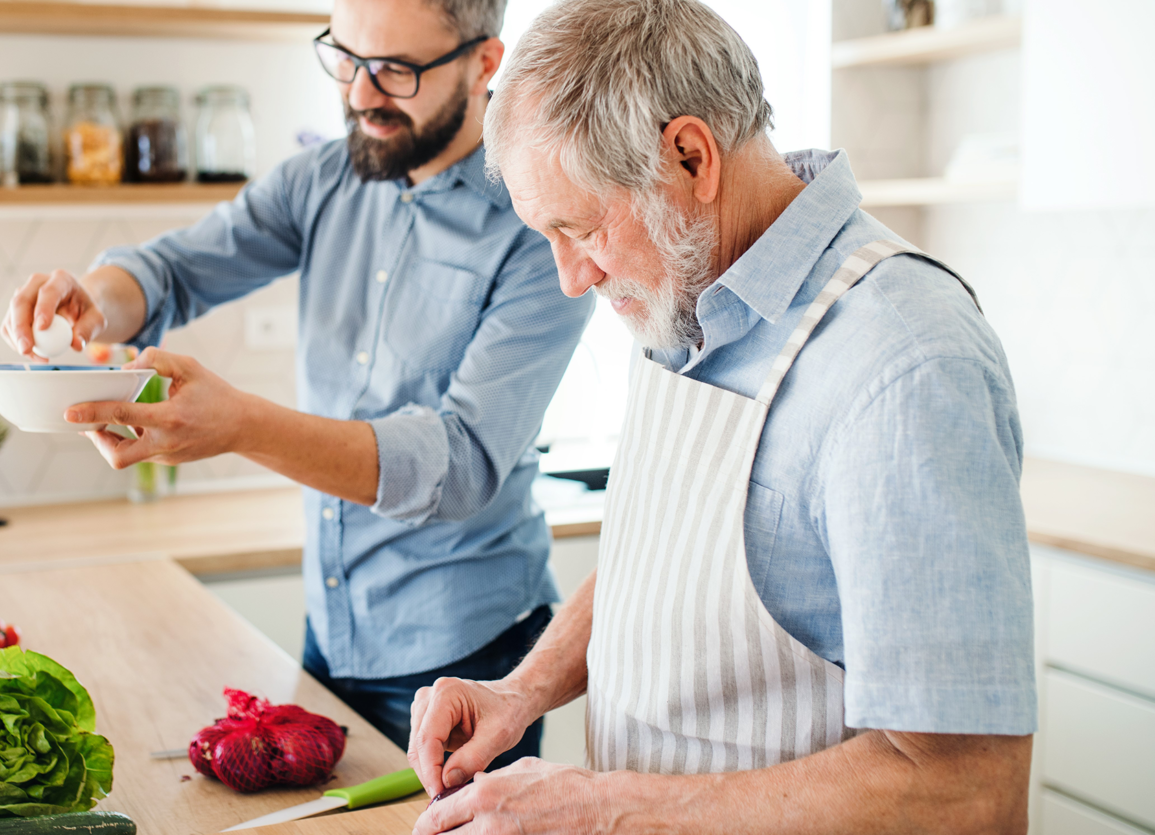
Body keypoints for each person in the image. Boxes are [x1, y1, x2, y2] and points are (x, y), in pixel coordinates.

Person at [405, 0, 1036, 832]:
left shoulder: (903, 362)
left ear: (690, 155)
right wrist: (521, 690)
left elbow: (967, 790)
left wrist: (607, 810)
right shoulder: (690, 285)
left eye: (582, 227)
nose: (571, 277)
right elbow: (674, 554)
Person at [0, 0, 592, 765]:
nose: (358, 94)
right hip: (331, 633)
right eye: (344, 57)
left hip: (472, 656)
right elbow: (175, 269)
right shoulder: (326, 176)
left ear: (484, 64)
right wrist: (93, 298)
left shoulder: (540, 224)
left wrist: (240, 426)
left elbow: (462, 461)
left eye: (396, 71)